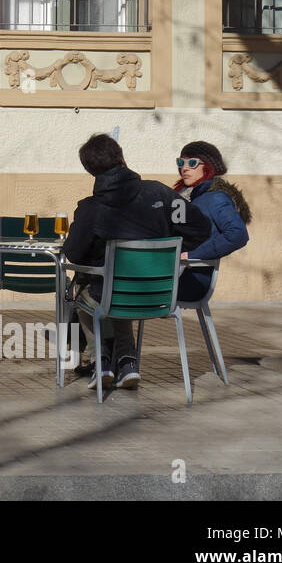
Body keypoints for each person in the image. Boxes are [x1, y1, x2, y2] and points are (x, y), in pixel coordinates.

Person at [62, 133, 211, 392]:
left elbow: (74, 254)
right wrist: (170, 249)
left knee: (84, 291)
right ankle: (127, 362)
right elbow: (200, 227)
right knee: (116, 287)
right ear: (122, 157)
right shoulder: (160, 194)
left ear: (90, 170)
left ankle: (101, 360)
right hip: (158, 295)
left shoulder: (90, 208)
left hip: (111, 296)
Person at [173, 141, 251, 302]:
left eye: (192, 163)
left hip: (191, 280)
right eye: (181, 162)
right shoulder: (190, 198)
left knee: (116, 287)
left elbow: (238, 234)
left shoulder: (215, 198)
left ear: (208, 166)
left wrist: (194, 255)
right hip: (178, 274)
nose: (185, 168)